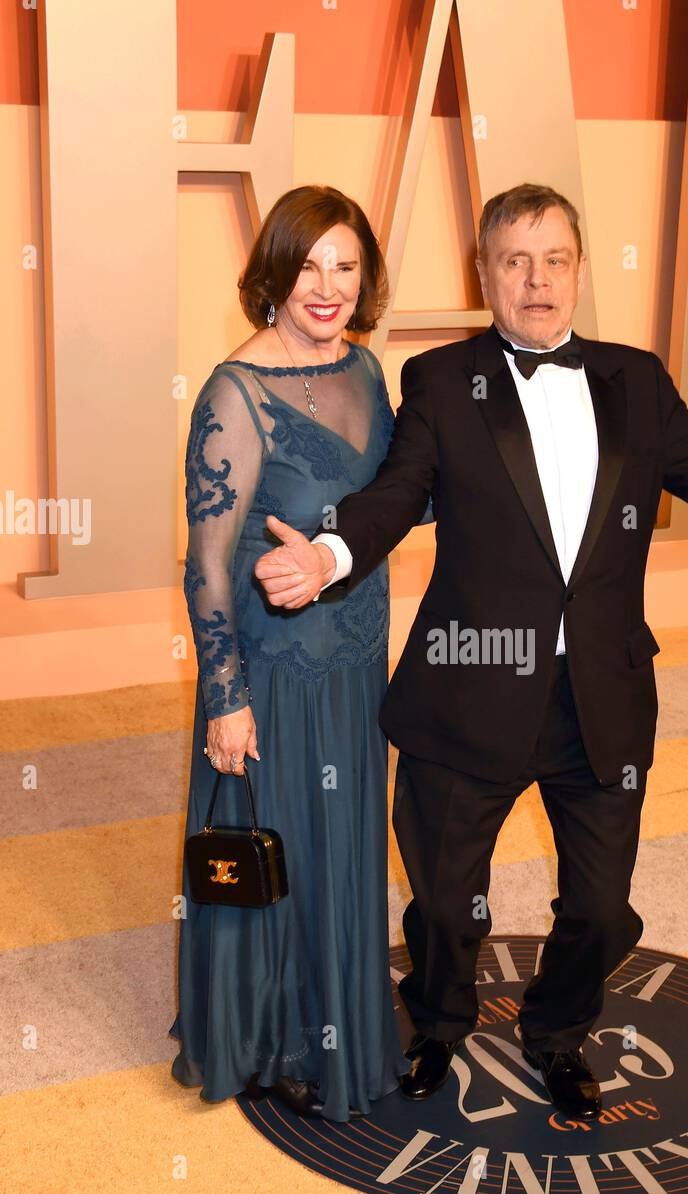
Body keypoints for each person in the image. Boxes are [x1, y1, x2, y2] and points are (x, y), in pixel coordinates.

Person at [253, 182, 688, 1121]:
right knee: (446, 902)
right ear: (484, 275)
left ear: (579, 270)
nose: (536, 281)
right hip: (468, 692)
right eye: (514, 260)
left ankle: (557, 1034)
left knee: (598, 908)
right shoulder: (441, 381)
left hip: (600, 696)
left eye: (554, 259)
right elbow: (395, 491)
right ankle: (438, 1023)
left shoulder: (635, 379)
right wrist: (331, 552)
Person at [170, 184, 414, 1121]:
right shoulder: (236, 392)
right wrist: (225, 695)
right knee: (277, 850)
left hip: (355, 657)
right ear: (275, 273)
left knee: (342, 843)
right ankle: (266, 1036)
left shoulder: (365, 371)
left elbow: (395, 500)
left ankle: (334, 1018)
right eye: (310, 265)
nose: (328, 287)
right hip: (271, 671)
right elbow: (207, 561)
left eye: (346, 267)